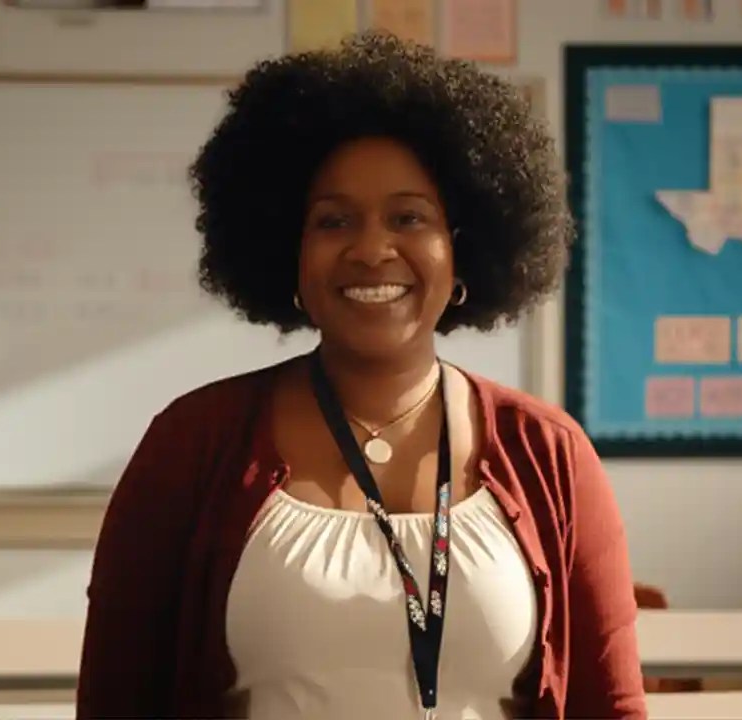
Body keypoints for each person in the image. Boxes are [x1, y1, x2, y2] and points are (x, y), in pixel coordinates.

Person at [77, 32, 645, 720]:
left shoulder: (549, 454)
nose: (372, 248)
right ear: (286, 249)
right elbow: (115, 704)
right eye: (333, 220)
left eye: (409, 217)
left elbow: (609, 709)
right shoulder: (191, 445)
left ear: (464, 249)